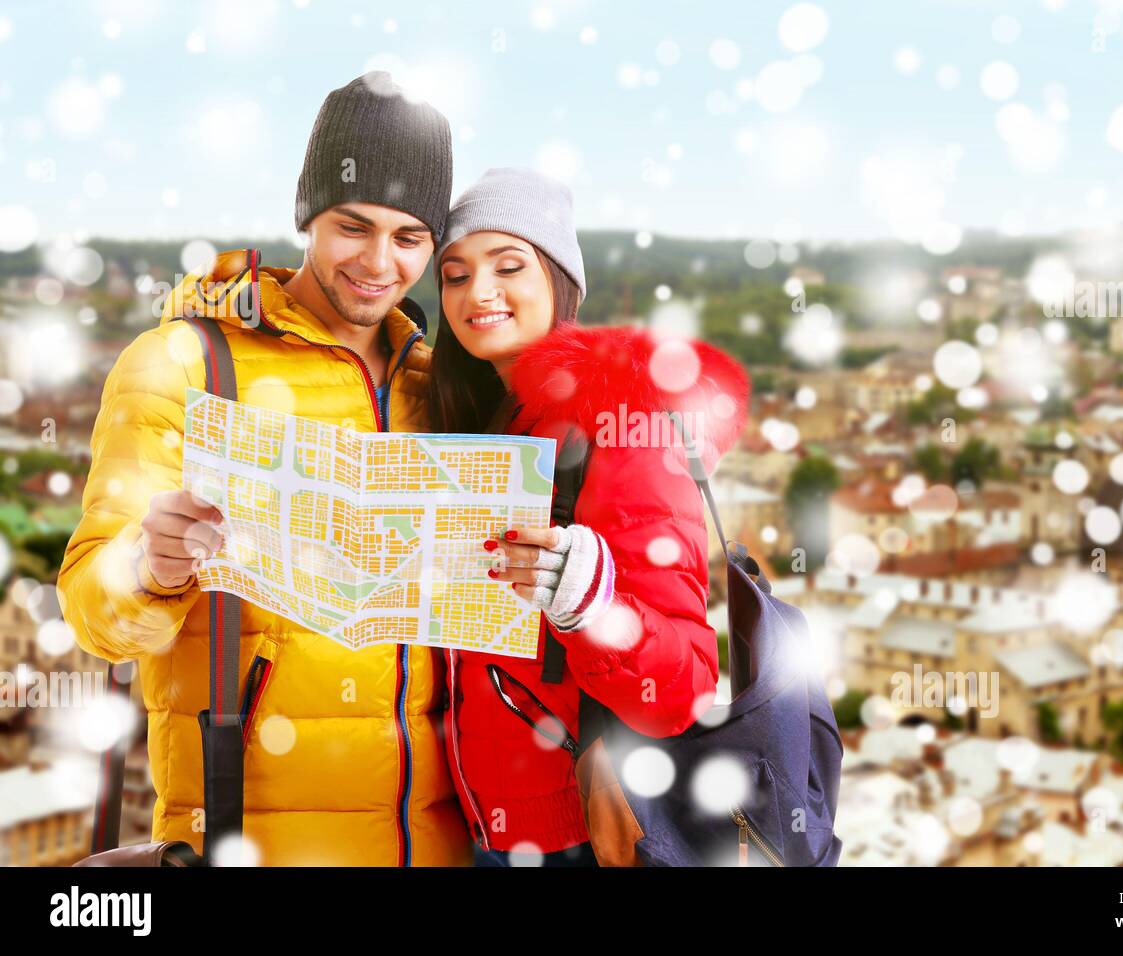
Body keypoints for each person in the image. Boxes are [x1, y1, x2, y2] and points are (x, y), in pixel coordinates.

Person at [57, 72, 470, 866]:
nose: (380, 263)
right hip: (254, 841)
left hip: (441, 846)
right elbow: (91, 615)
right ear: (308, 214)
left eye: (411, 237)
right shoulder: (184, 364)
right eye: (354, 225)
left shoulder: (439, 386)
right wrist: (149, 565)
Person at [430, 167, 750, 865]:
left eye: (508, 266)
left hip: (580, 830)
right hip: (483, 825)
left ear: (559, 281)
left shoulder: (623, 419)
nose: (477, 292)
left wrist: (591, 603)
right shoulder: (490, 423)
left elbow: (687, 686)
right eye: (454, 275)